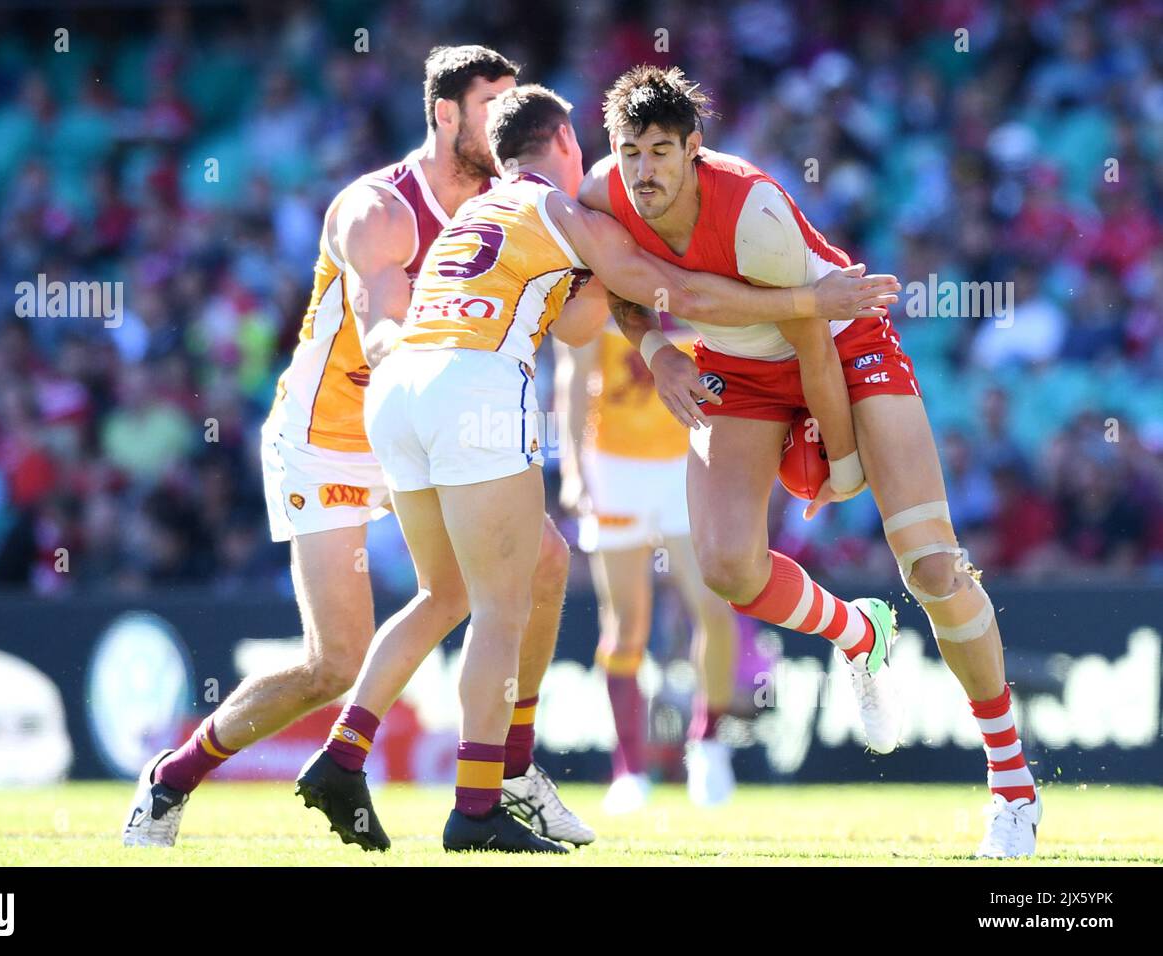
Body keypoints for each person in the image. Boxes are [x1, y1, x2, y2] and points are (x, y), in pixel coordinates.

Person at [295, 84, 901, 852]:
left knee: (439, 593)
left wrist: (645, 341)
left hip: (399, 393)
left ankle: (345, 753)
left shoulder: (473, 214)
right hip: (473, 389)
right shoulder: (562, 211)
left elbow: (583, 314)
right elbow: (676, 291)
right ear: (564, 144)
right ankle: (479, 807)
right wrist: (811, 299)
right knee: (499, 612)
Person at [123, 46, 591, 849]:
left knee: (535, 566)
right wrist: (423, 365)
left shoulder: (505, 202)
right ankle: (172, 779)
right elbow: (380, 323)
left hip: (424, 424)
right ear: (445, 114)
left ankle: (510, 770)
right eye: (491, 104)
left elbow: (564, 320)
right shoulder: (377, 207)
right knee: (330, 664)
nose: (507, 120)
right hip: (332, 435)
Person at [582, 65, 1040, 858]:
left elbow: (809, 330)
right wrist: (656, 350)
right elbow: (620, 289)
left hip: (840, 343)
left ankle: (1011, 785)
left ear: (695, 149)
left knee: (931, 568)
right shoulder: (602, 195)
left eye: (662, 150)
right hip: (736, 366)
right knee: (726, 566)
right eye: (631, 151)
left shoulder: (752, 209)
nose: (644, 169)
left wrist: (841, 456)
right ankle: (857, 632)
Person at [555, 316, 742, 811]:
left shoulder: (691, 275)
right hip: (614, 464)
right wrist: (573, 469)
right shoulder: (601, 279)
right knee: (626, 622)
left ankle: (709, 741)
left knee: (714, 606)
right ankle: (629, 769)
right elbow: (572, 378)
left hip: (687, 460)